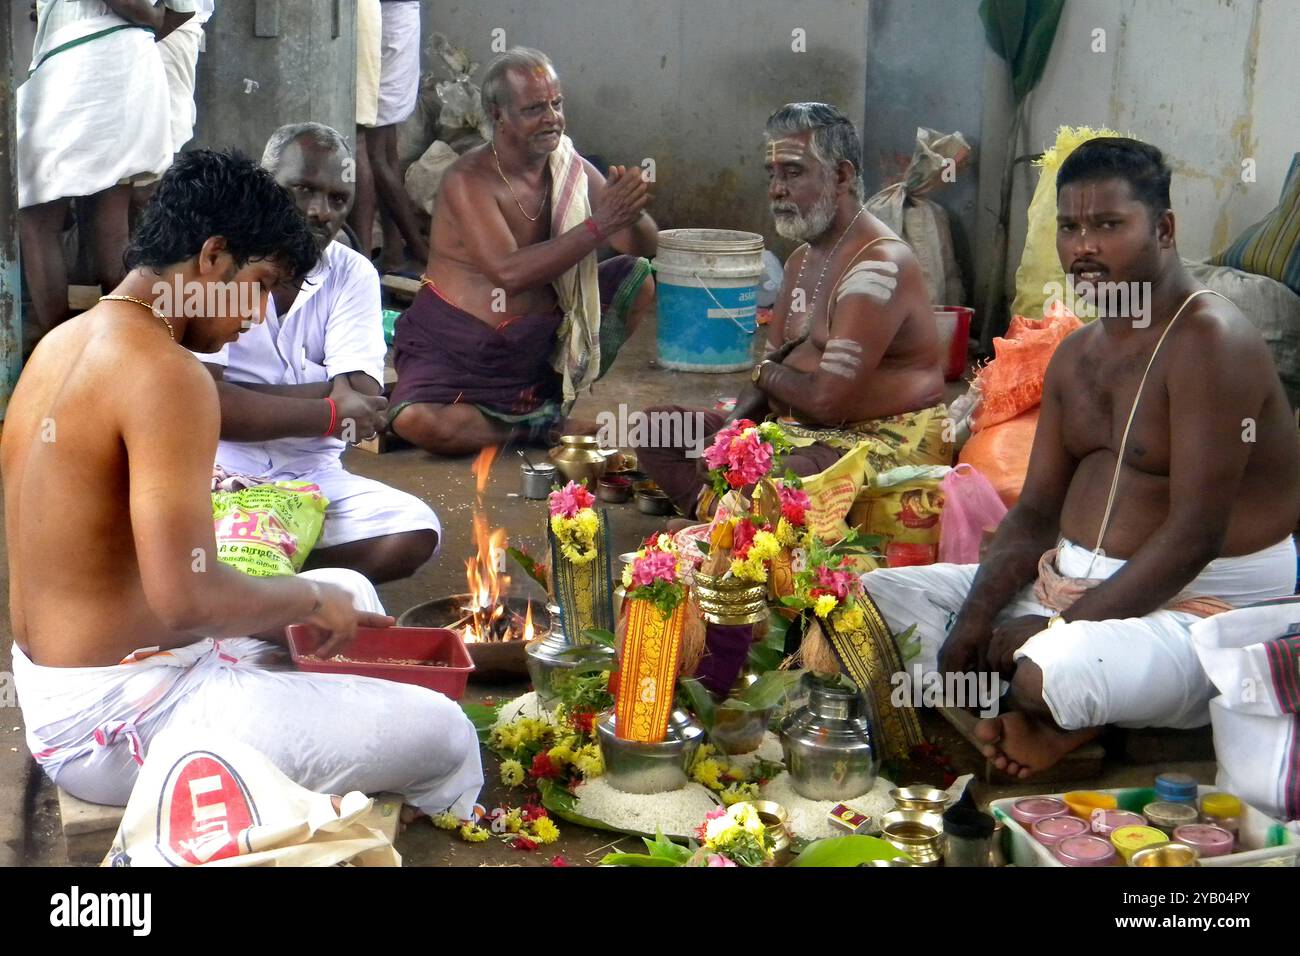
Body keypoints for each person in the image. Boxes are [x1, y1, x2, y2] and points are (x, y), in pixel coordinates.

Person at [3, 150, 482, 816]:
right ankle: (441, 819)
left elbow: (160, 588)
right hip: (116, 723)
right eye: (259, 285)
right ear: (212, 258)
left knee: (347, 592)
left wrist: (308, 599)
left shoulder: (64, 342)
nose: (256, 315)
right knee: (446, 732)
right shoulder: (169, 375)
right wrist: (305, 598)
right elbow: (187, 598)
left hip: (70, 685)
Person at [861, 138, 1300, 777]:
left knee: (1046, 672)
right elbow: (1036, 512)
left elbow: (1194, 536)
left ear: (1166, 230)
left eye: (1108, 225)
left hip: (1198, 612)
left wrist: (1056, 628)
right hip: (1068, 589)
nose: (1083, 246)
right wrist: (976, 617)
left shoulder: (1212, 342)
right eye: (1070, 227)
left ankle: (1052, 710)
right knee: (874, 601)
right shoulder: (1077, 353)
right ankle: (1042, 712)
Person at [638, 103, 948, 519]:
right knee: (656, 429)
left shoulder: (880, 264)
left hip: (873, 442)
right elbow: (768, 381)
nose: (776, 190)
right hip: (795, 432)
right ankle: (725, 522)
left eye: (793, 172)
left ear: (841, 176)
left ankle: (736, 523)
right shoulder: (802, 259)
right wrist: (730, 432)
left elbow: (824, 404)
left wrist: (765, 374)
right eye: (772, 175)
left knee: (774, 476)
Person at [198, 123, 440, 584]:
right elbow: (207, 407)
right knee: (153, 530)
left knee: (414, 530)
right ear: (266, 188)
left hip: (312, 480)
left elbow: (364, 405)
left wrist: (243, 397)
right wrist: (331, 401)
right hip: (217, 475)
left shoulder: (353, 274)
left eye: (337, 199)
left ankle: (254, 576)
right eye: (302, 190)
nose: (318, 212)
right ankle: (259, 576)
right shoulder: (220, 265)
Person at [389, 47, 658, 456]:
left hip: (536, 350)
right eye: (535, 108)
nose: (552, 118)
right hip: (461, 350)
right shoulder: (468, 179)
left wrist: (629, 211)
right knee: (416, 422)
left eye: (557, 103)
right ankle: (538, 427)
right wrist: (600, 223)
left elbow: (644, 246)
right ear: (498, 116)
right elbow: (508, 274)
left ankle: (543, 406)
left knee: (637, 278)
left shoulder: (571, 168)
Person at [17, 0, 191, 335]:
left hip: (85, 63)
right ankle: (119, 348)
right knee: (108, 219)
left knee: (38, 216)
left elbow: (165, 10)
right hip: (123, 61)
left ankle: (65, 352)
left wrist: (148, 17)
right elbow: (186, 7)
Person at [359, 0, 429, 272]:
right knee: (374, 147)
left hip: (389, 17)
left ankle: (394, 250)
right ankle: (404, 251)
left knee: (382, 147)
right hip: (383, 17)